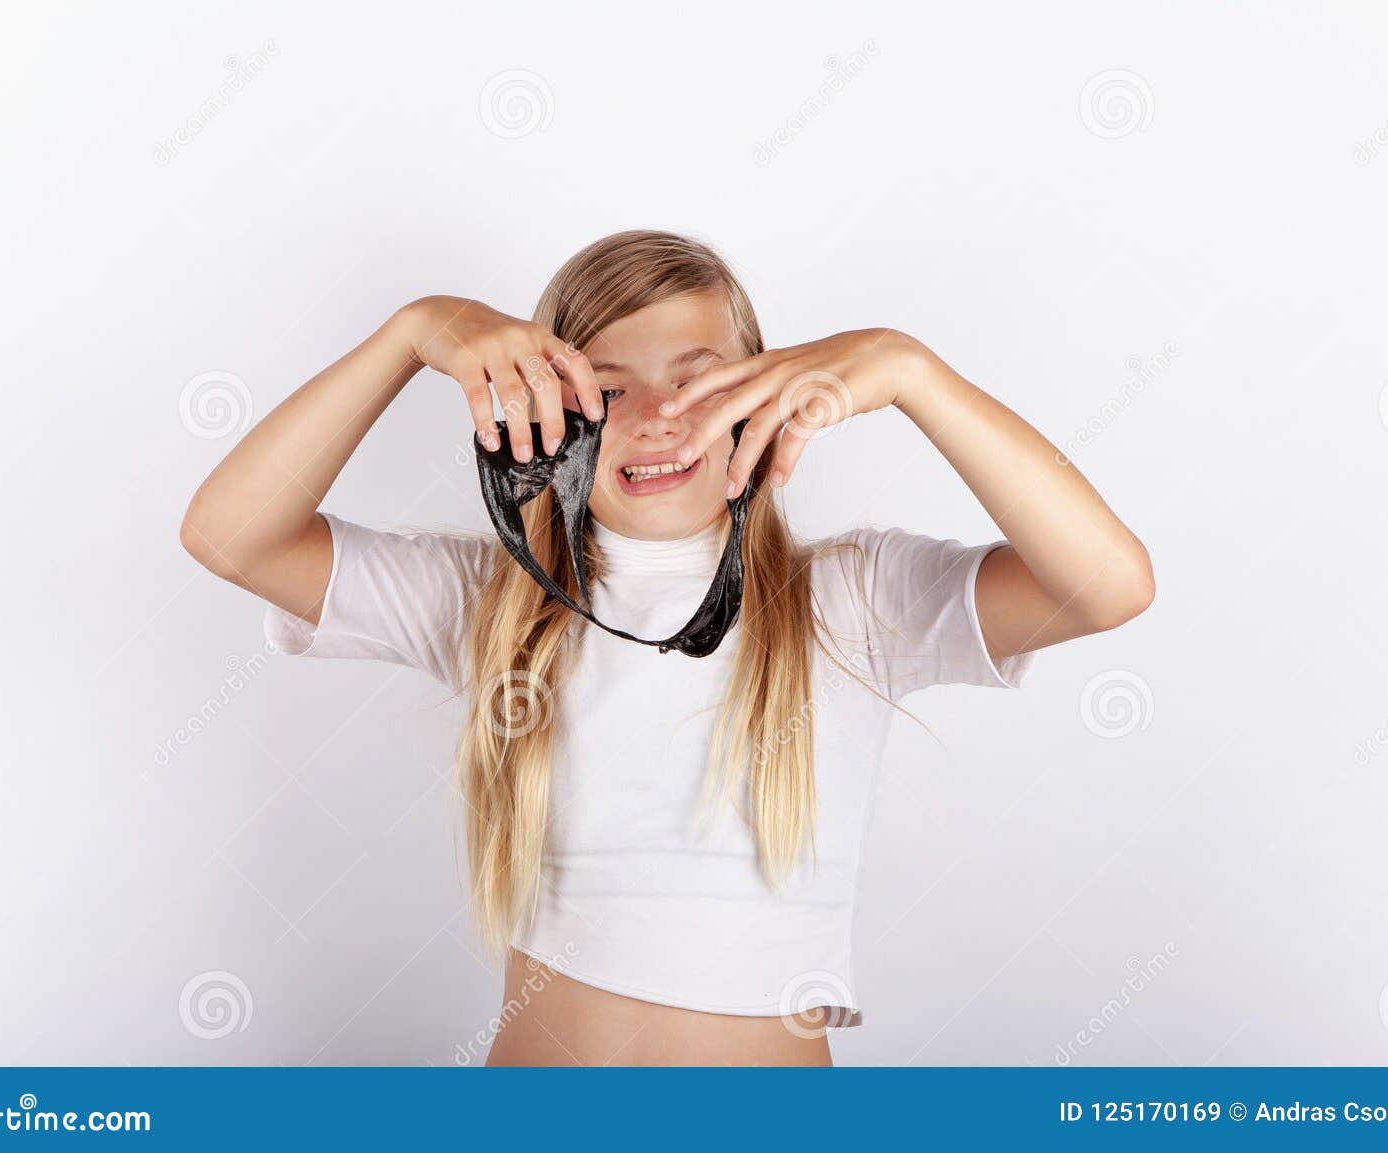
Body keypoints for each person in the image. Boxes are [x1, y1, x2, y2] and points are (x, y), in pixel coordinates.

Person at [180, 230, 1155, 1065]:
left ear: (768, 396)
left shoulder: (850, 599)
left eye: (699, 382)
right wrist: (414, 330)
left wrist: (909, 370)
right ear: (548, 416)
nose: (656, 418)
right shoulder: (495, 602)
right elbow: (232, 536)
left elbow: (1109, 584)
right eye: (605, 390)